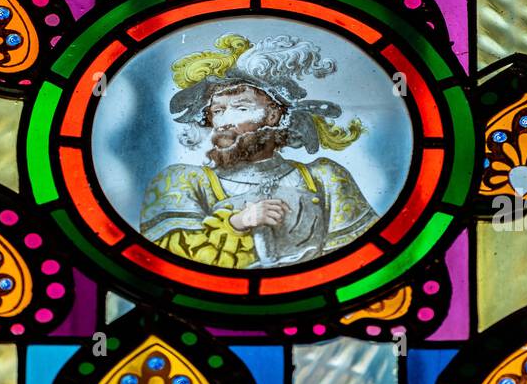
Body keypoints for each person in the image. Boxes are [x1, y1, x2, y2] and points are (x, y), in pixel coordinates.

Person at [139, 33, 377, 269]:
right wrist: (238, 223)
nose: (224, 122)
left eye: (241, 108)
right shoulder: (184, 182)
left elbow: (359, 261)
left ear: (274, 115)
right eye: (218, 111)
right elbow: (166, 262)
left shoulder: (325, 178)